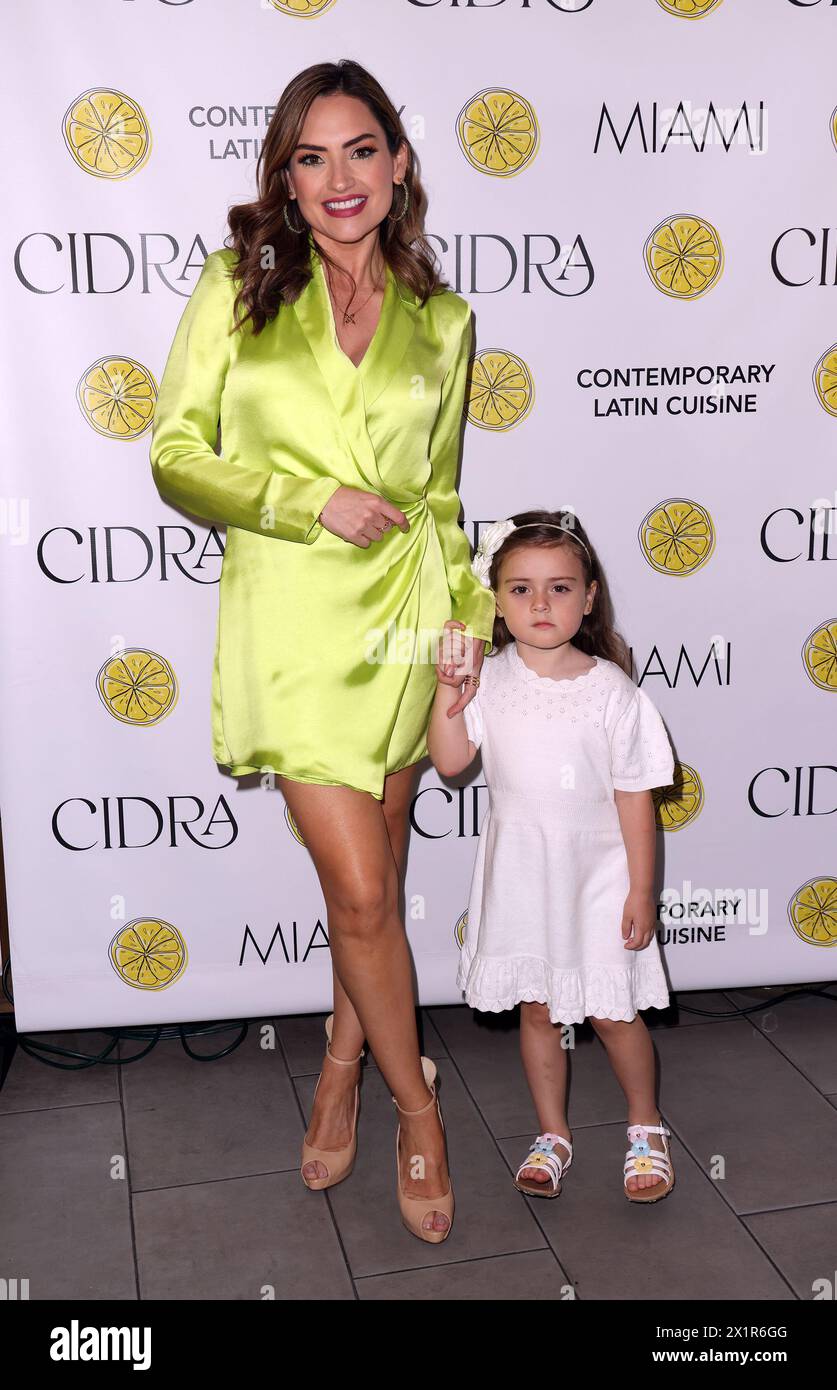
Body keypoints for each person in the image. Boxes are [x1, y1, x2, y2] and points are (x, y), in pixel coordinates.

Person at [148, 60, 495, 1243]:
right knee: (357, 888)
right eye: (312, 156)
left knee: (378, 893)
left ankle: (343, 1056)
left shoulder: (445, 321)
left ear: (398, 165)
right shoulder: (233, 289)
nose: (338, 178)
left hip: (403, 615)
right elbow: (175, 454)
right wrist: (304, 503)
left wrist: (466, 633)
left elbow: (444, 500)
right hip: (292, 617)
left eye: (360, 151)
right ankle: (419, 1108)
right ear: (285, 180)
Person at [427, 508, 678, 1204]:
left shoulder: (612, 693)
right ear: (496, 602)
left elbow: (634, 799)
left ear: (589, 595)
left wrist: (640, 892)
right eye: (519, 589)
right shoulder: (491, 678)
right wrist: (450, 683)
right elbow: (449, 761)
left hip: (598, 879)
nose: (539, 604)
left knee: (611, 1011)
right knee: (538, 1010)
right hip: (519, 877)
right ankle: (552, 1132)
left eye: (559, 588)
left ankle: (644, 1126)